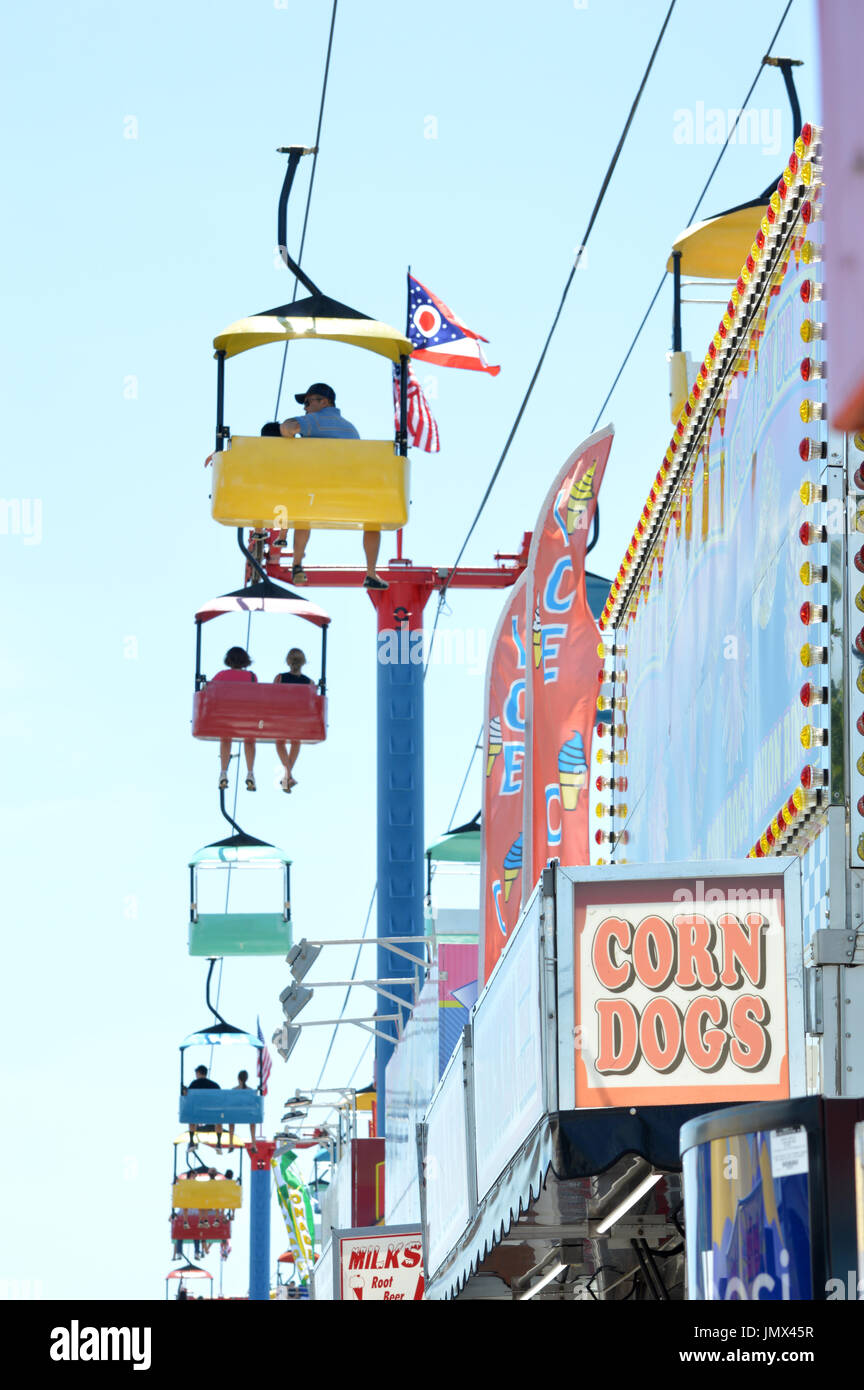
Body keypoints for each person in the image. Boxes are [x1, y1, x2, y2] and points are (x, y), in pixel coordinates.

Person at [261, 383, 389, 591]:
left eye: (308, 401)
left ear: (325, 402)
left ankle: (296, 564)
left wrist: (285, 427)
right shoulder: (351, 428)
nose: (305, 407)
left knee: (302, 514)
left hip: (318, 491)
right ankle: (371, 572)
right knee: (373, 522)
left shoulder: (315, 420)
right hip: (353, 493)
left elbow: (288, 429)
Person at [209, 647, 257, 791]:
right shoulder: (251, 677)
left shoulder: (221, 675)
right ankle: (250, 773)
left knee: (225, 739)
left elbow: (208, 690)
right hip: (245, 716)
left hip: (227, 715)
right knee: (249, 740)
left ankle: (223, 773)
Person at [273, 648, 315, 792]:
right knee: (295, 742)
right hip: (299, 718)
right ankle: (288, 775)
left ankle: (287, 775)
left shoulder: (280, 678)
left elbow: (273, 696)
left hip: (282, 715)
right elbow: (312, 702)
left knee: (280, 743)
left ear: (288, 662)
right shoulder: (309, 682)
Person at [183, 1066, 224, 1153]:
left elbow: (188, 1098)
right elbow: (221, 1099)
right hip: (213, 1114)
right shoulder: (215, 1085)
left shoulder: (194, 1084)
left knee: (191, 1119)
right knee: (219, 1119)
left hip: (198, 1114)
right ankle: (219, 1143)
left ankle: (191, 1142)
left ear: (198, 1073)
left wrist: (184, 1091)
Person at [227, 1070, 258, 1150]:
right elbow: (254, 1103)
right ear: (246, 1079)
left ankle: (231, 1143)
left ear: (238, 1078)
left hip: (236, 1115)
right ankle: (253, 1143)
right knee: (252, 1122)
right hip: (248, 1115)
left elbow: (230, 1103)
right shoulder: (251, 1090)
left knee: (231, 1121)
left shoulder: (234, 1090)